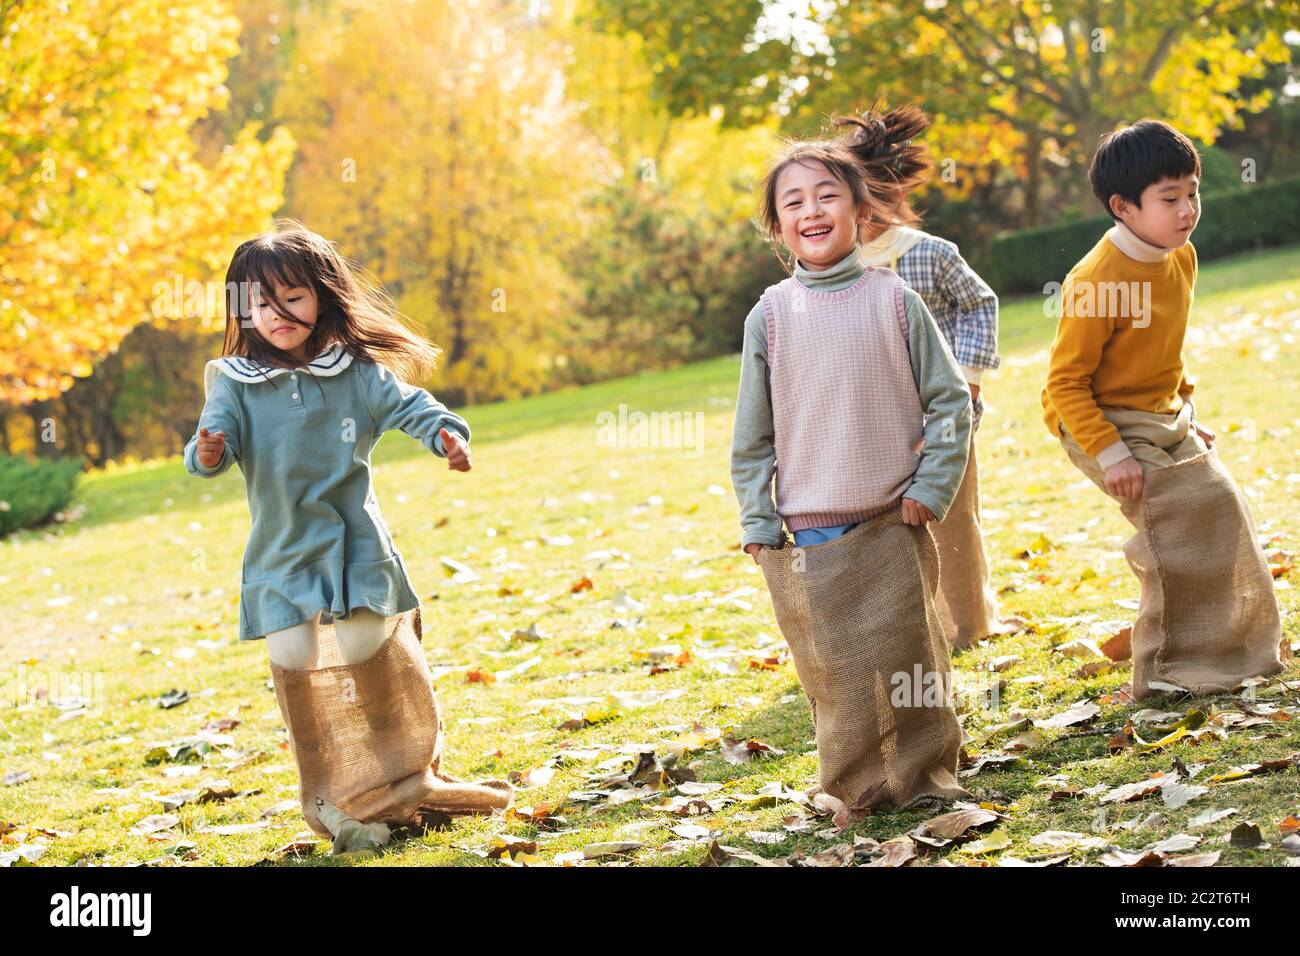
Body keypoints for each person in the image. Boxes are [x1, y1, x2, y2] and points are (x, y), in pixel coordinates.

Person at [185, 219, 511, 841]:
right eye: (259, 303)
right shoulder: (234, 382)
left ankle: (410, 780)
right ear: (242, 310)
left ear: (323, 297)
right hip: (281, 555)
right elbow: (209, 457)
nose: (277, 313)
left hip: (356, 544)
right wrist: (206, 450)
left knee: (369, 651)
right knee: (297, 665)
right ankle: (332, 804)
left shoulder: (356, 373)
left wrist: (446, 435)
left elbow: (413, 406)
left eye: (293, 297)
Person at [730, 126, 973, 825]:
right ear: (778, 226)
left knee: (911, 659)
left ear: (860, 209)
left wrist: (931, 487)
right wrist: (756, 518)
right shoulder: (770, 317)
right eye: (794, 202)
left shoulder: (895, 299)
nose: (812, 211)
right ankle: (854, 782)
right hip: (814, 529)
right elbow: (753, 437)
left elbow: (949, 401)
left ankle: (925, 770)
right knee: (840, 674)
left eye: (827, 196)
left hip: (896, 519)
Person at [1042, 120, 1284, 700]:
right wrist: (1112, 452)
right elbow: (1066, 383)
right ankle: (1163, 673)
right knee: (1172, 522)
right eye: (1169, 199)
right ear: (1124, 207)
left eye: (1192, 192)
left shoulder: (1181, 256)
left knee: (1222, 502)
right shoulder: (1095, 280)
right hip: (1096, 420)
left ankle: (1231, 649)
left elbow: (1165, 347)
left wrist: (1185, 409)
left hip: (1159, 413)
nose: (1187, 209)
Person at [845, 101, 1020, 649]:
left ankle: (969, 626)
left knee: (953, 519)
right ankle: (903, 630)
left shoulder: (929, 254)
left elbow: (979, 304)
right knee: (883, 528)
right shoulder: (836, 267)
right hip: (875, 422)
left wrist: (967, 379)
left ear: (892, 197)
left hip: (943, 419)